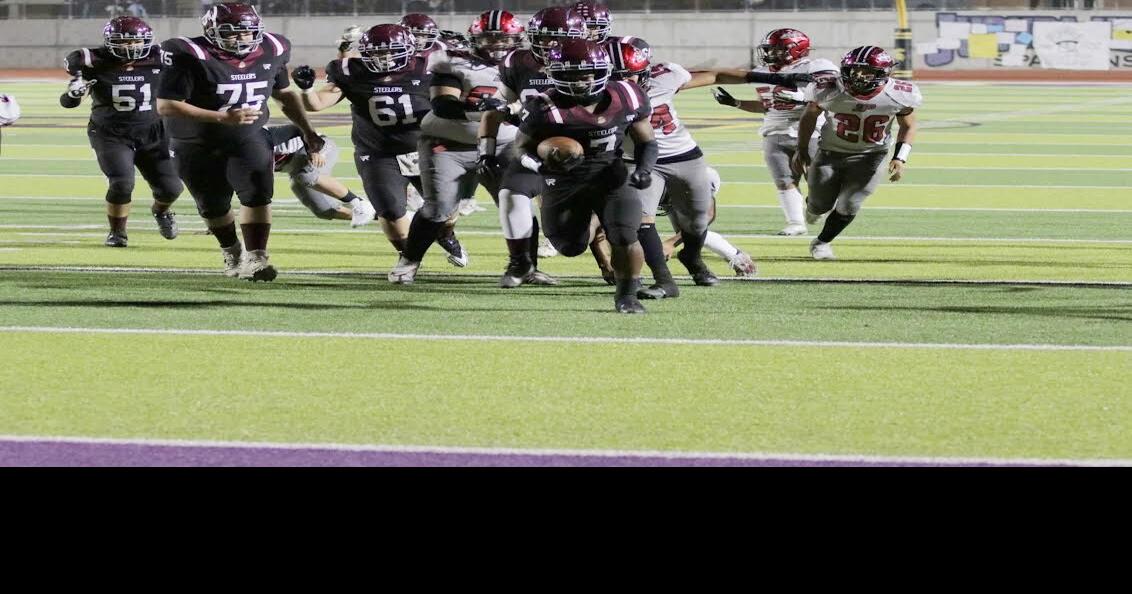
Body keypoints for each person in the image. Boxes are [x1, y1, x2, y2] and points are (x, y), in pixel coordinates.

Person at [156, 2, 323, 280]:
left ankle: (257, 258)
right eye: (232, 32)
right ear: (211, 31)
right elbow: (166, 105)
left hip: (248, 136)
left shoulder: (274, 47)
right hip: (194, 141)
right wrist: (221, 117)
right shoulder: (188, 52)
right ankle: (231, 251)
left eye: (247, 31)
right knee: (213, 205)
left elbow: (284, 94)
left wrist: (308, 130)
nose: (242, 37)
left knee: (257, 194)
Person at [513, 39, 658, 314]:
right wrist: (540, 166)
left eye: (587, 74)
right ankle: (595, 220)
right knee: (570, 246)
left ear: (603, 71)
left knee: (625, 235)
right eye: (571, 75)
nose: (580, 81)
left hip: (609, 174)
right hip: (563, 180)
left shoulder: (628, 94)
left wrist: (644, 169)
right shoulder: (543, 107)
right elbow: (520, 149)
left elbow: (647, 141)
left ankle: (627, 295)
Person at [387, 10, 527, 284]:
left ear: (517, 39)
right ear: (475, 38)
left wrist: (513, 113)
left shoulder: (526, 66)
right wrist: (483, 108)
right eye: (489, 38)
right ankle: (408, 261)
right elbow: (443, 105)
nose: (496, 44)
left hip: (503, 144)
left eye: (503, 38)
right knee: (438, 208)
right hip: (449, 145)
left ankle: (525, 267)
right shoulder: (453, 62)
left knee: (517, 204)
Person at [294, 24, 432, 256]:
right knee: (390, 210)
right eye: (377, 52)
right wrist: (307, 90)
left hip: (423, 148)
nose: (384, 58)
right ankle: (409, 258)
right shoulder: (352, 72)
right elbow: (316, 104)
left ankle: (447, 238)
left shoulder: (426, 69)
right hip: (377, 152)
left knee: (445, 206)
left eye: (391, 51)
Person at [478, 5, 585, 288]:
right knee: (511, 192)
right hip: (534, 146)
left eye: (559, 38)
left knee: (573, 242)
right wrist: (486, 152)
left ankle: (620, 270)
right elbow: (496, 109)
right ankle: (521, 264)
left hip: (585, 148)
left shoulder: (589, 58)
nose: (551, 44)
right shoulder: (516, 62)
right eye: (545, 37)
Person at [61, 16, 183, 248]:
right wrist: (74, 93)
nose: (131, 46)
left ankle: (161, 212)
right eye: (124, 42)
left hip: (153, 131)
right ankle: (117, 232)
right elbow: (68, 103)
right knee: (122, 183)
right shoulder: (93, 61)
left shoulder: (161, 57)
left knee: (171, 189)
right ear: (110, 42)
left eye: (137, 41)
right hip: (110, 132)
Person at [792, 45, 921, 260]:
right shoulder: (829, 88)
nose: (858, 76)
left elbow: (908, 125)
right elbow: (809, 116)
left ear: (882, 73)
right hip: (829, 153)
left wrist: (900, 158)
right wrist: (802, 148)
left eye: (866, 72)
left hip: (872, 156)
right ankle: (814, 208)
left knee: (849, 204)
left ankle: (822, 242)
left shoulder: (899, 94)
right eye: (854, 71)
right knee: (819, 205)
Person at [712, 28, 838, 237]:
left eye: (777, 49)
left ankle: (816, 207)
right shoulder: (762, 71)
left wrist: (802, 99)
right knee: (784, 180)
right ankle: (795, 223)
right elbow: (766, 106)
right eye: (769, 49)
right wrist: (736, 103)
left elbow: (833, 94)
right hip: (775, 132)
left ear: (795, 49)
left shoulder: (816, 66)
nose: (770, 53)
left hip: (812, 131)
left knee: (818, 183)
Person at [265, 124, 375, 225]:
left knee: (305, 175)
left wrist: (313, 150)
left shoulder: (261, 136)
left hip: (318, 147)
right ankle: (376, 215)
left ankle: (359, 203)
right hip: (295, 167)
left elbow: (298, 128)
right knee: (323, 210)